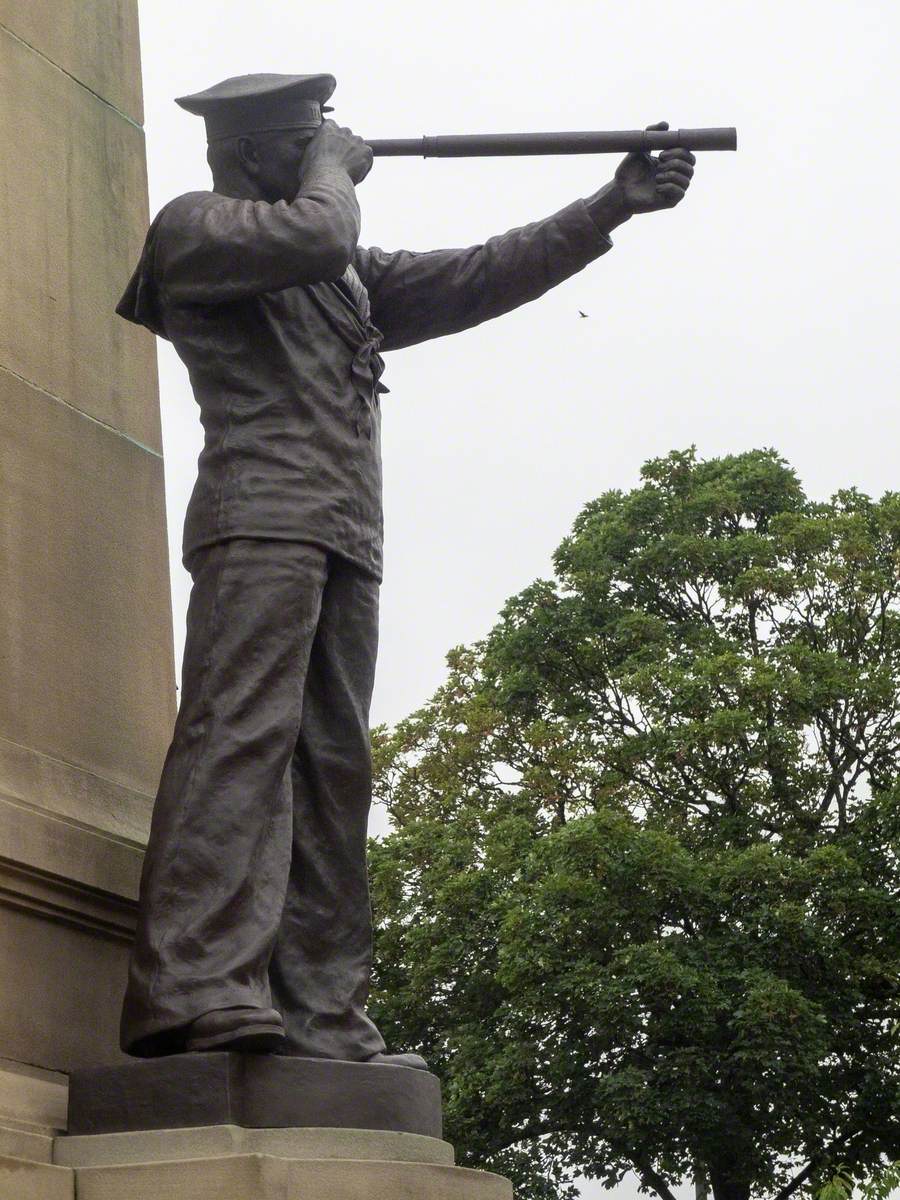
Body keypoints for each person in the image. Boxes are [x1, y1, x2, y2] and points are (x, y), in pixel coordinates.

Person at [116, 73, 695, 1065]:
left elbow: (475, 274)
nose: (327, 152)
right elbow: (320, 232)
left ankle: (321, 1008)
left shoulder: (335, 269)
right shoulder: (198, 229)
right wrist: (336, 173)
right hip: (261, 521)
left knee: (336, 769)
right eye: (306, 141)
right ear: (257, 153)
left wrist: (609, 206)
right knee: (240, 739)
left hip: (343, 533)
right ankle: (194, 981)